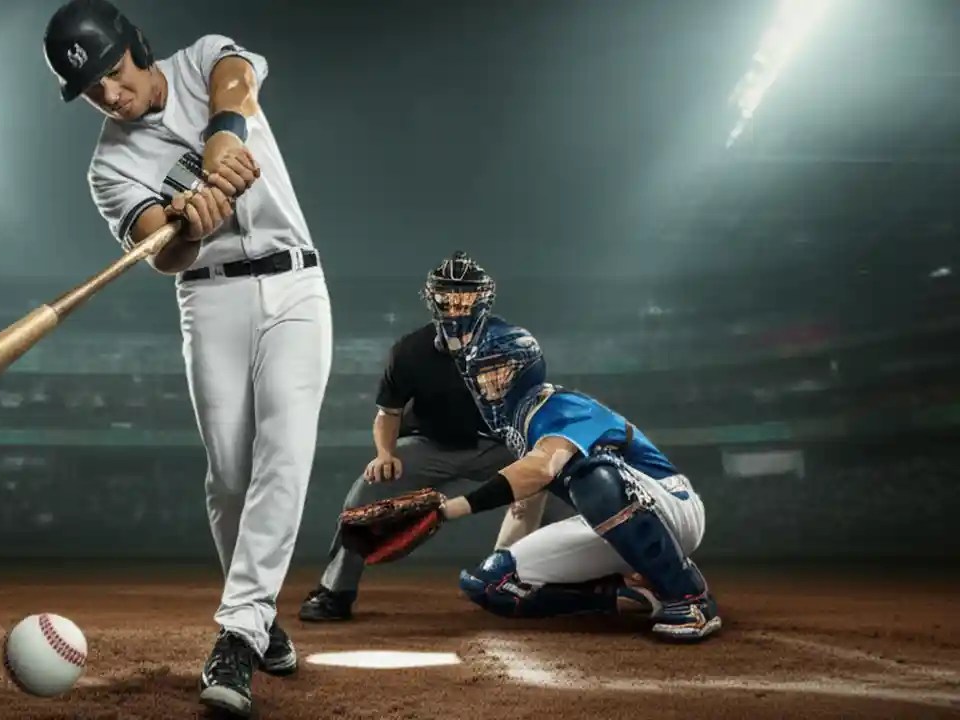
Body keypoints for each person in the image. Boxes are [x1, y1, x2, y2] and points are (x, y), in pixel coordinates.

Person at [43, 1, 332, 715]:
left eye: (114, 73)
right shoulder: (108, 166)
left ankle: (237, 634)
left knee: (284, 453)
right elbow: (161, 251)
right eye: (93, 92)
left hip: (294, 282)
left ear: (136, 49)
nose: (111, 95)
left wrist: (221, 140)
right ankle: (261, 617)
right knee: (230, 476)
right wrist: (188, 231)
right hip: (210, 299)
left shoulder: (201, 59)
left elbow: (237, 81)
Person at [435, 318, 722, 641]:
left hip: (672, 509)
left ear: (524, 368)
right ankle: (633, 594)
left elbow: (543, 469)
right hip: (610, 524)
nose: (487, 381)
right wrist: (497, 558)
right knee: (493, 583)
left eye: (497, 369)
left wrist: (453, 508)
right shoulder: (521, 427)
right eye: (482, 373)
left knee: (591, 476)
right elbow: (527, 500)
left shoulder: (558, 405)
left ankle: (689, 598)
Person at [300, 252, 543, 622]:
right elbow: (388, 414)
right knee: (364, 493)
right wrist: (384, 454)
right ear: (432, 300)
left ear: (483, 301)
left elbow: (534, 409)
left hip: (499, 445)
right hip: (431, 444)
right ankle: (336, 590)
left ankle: (532, 579)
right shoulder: (410, 351)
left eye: (465, 298)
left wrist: (537, 460)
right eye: (447, 297)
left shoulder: (514, 347)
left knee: (560, 482)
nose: (456, 307)